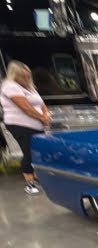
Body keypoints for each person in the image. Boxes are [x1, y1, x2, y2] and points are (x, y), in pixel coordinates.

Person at [2, 61, 51, 195]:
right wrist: (42, 118)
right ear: (14, 75)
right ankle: (29, 183)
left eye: (28, 76)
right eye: (23, 76)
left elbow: (41, 104)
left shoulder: (30, 88)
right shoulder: (10, 86)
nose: (27, 78)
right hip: (20, 125)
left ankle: (36, 177)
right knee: (28, 152)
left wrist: (46, 114)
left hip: (37, 125)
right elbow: (25, 107)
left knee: (37, 151)